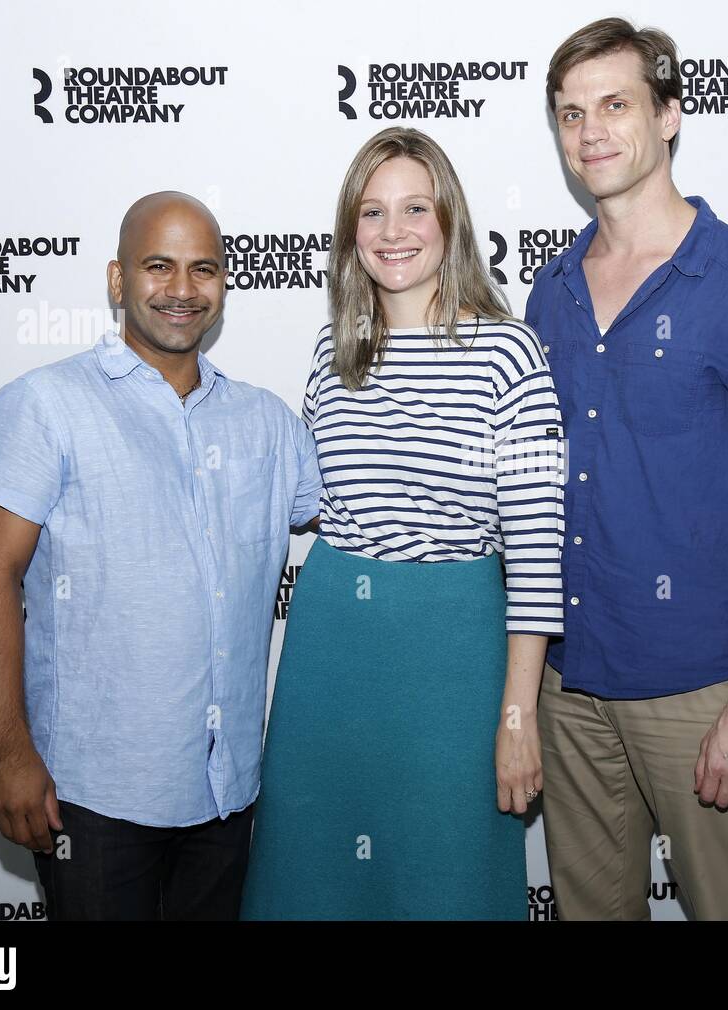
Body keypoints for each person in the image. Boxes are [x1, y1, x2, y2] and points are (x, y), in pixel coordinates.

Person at [525, 18, 728, 920]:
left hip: (702, 690)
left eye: (616, 105)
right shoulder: (551, 289)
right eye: (571, 113)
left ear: (670, 114)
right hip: (568, 685)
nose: (591, 132)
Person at [0, 191, 322, 920]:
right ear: (116, 280)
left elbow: (366, 519)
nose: (182, 290)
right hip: (94, 796)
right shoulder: (44, 405)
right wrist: (6, 750)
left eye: (204, 269)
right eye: (158, 266)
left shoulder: (269, 424)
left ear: (224, 283)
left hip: (227, 795)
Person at [240, 127, 564, 920]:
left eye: (415, 208)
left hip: (455, 649)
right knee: (311, 871)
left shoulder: (508, 353)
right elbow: (314, 504)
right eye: (373, 212)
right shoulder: (332, 350)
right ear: (351, 231)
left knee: (445, 874)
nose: (395, 232)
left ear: (448, 220)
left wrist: (517, 715)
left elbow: (536, 554)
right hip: (330, 648)